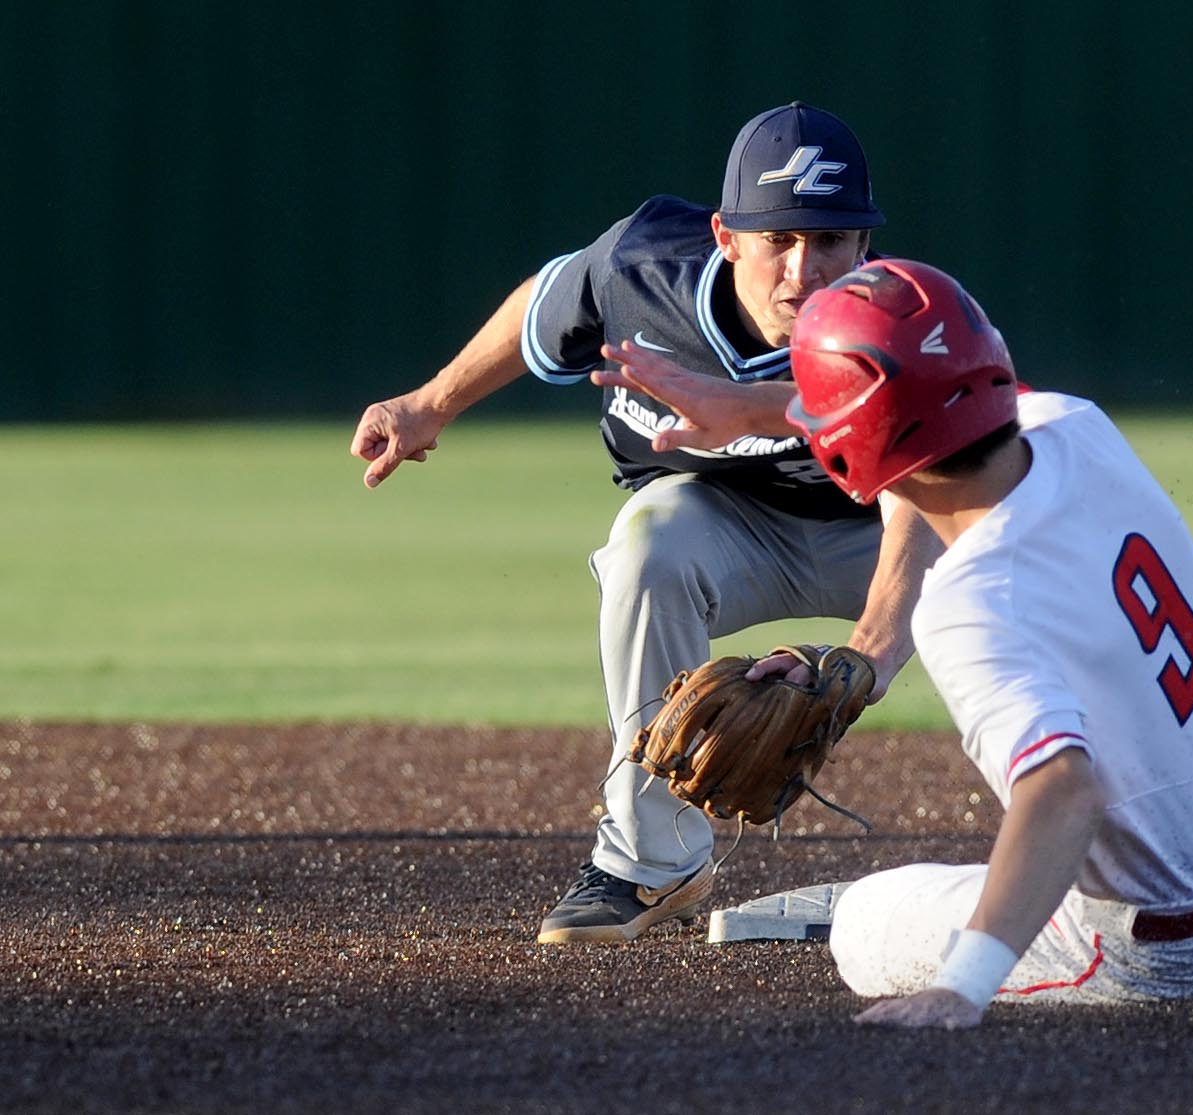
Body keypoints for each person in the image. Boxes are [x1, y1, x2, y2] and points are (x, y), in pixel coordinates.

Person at [755, 257, 1193, 1029]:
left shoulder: (969, 601)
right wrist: (742, 411)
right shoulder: (1076, 423)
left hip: (1188, 946)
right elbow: (933, 398)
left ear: (844, 452)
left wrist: (964, 985)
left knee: (863, 925)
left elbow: (1063, 791)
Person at [349, 103, 940, 944]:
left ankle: (1094, 850)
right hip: (733, 525)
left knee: (1027, 579)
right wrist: (429, 403)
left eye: (831, 239)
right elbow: (545, 303)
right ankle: (649, 861)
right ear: (726, 236)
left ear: (863, 248)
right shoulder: (643, 269)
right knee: (646, 544)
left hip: (882, 533)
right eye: (778, 238)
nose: (804, 269)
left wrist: (870, 657)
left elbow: (928, 494)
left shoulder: (907, 322)